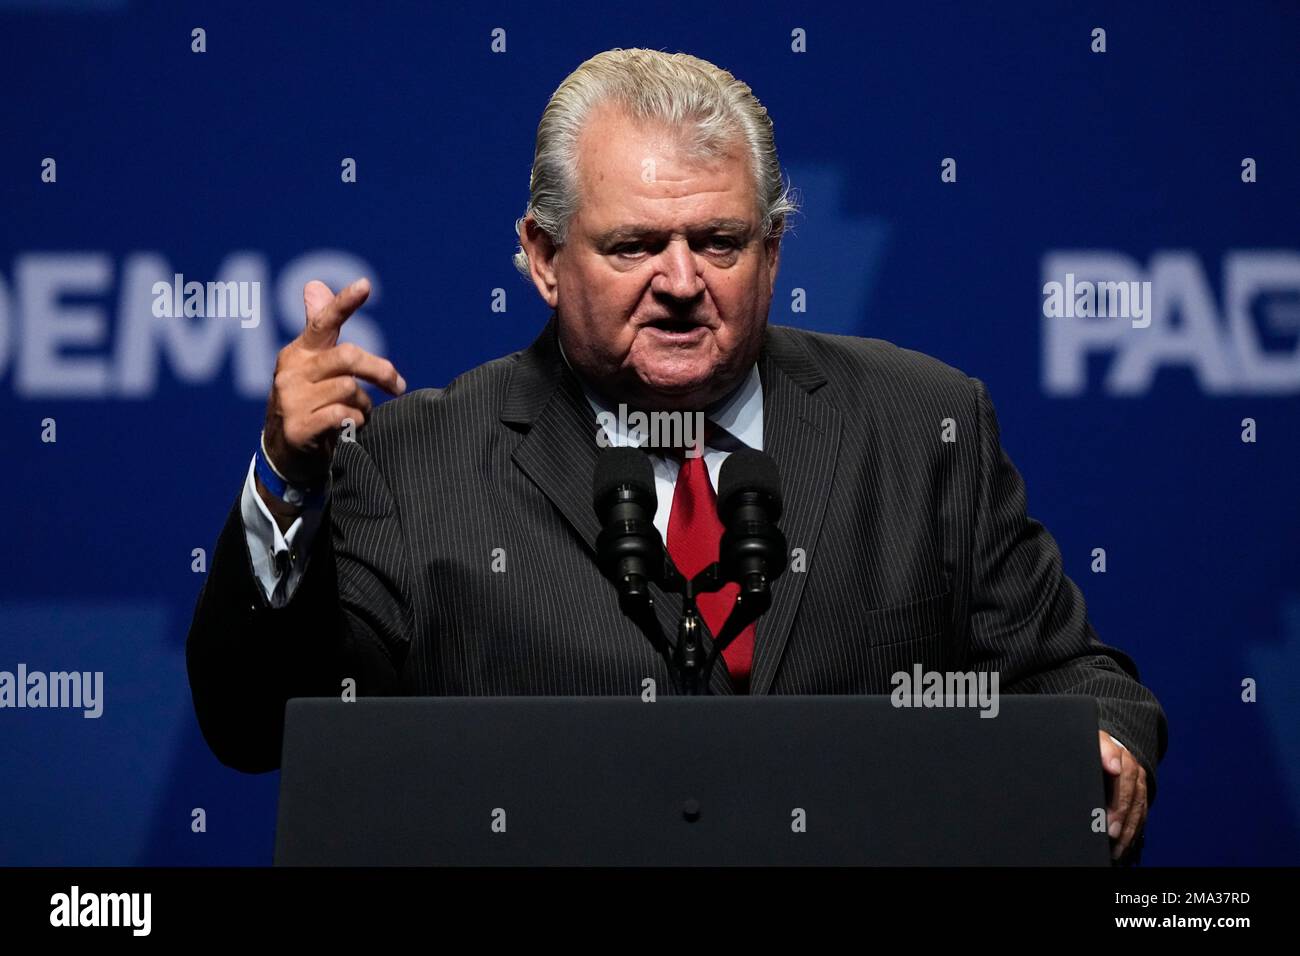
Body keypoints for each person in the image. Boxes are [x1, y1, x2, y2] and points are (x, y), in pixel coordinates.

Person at [186, 48, 1166, 862]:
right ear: (540, 255)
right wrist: (285, 478)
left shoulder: (923, 425)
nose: (683, 282)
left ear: (775, 252)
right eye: (632, 246)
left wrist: (1106, 737)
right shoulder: (416, 461)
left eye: (722, 241)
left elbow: (1070, 676)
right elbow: (253, 720)